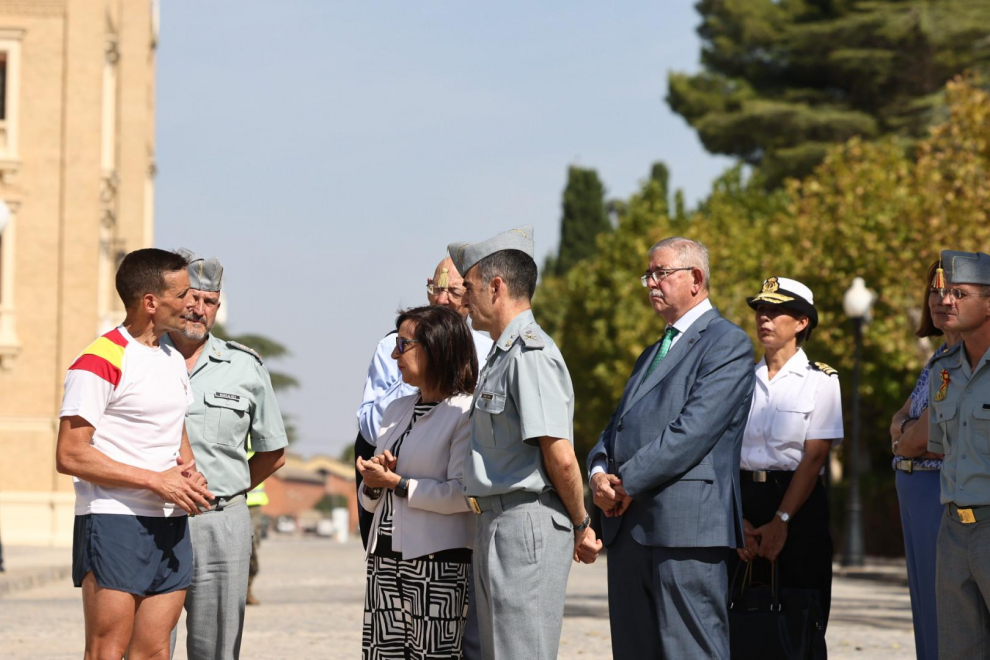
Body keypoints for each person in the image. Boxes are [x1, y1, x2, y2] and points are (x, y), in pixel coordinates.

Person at [587, 236, 755, 659]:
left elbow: (691, 432)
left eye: (660, 274)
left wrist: (623, 484)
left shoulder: (727, 344)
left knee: (690, 651)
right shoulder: (651, 353)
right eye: (649, 275)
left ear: (695, 278)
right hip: (629, 531)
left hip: (685, 532)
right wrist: (597, 473)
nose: (650, 284)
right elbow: (616, 426)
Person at [448, 226, 601, 660]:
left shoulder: (531, 355)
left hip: (525, 523)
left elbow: (561, 458)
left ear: (496, 287)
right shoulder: (502, 354)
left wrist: (580, 523)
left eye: (470, 287)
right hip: (497, 522)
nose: (465, 299)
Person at [55, 248, 214, 659]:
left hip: (171, 522)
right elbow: (71, 454)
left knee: (155, 650)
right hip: (113, 519)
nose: (192, 304)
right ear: (150, 302)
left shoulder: (171, 358)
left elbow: (173, 426)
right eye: (182, 295)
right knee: (108, 649)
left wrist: (189, 472)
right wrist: (153, 480)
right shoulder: (98, 360)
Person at [165, 250, 288, 660]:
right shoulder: (141, 358)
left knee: (216, 647)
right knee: (146, 646)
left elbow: (273, 452)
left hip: (220, 523)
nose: (199, 310)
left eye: (210, 301)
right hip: (152, 519)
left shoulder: (245, 366)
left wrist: (225, 490)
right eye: (191, 298)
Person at [357, 305, 479, 659]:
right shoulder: (396, 410)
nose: (395, 354)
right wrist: (374, 483)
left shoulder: (465, 412)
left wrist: (398, 483)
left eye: (403, 344)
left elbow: (462, 494)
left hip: (437, 564)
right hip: (384, 559)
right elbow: (372, 500)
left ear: (435, 348)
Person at [733, 276, 843, 657]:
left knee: (799, 617)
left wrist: (781, 520)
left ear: (801, 323)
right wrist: (737, 520)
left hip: (798, 502)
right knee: (740, 612)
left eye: (776, 311)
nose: (764, 318)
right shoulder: (740, 380)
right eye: (761, 310)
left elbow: (814, 458)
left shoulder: (821, 381)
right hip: (743, 500)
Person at [355, 257, 493, 547]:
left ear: (472, 295)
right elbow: (370, 429)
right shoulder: (391, 348)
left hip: (445, 536)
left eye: (454, 291)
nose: (442, 300)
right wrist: (414, 372)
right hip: (389, 526)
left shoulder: (489, 352)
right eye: (435, 288)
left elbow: (462, 488)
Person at [889, 260, 960, 660]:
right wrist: (906, 434)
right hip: (914, 490)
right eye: (934, 291)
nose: (940, 300)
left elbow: (934, 432)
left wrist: (905, 438)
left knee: (947, 613)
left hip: (941, 491)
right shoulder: (938, 356)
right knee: (924, 613)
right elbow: (900, 418)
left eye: (952, 292)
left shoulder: (968, 357)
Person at [927, 250, 990, 660]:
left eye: (960, 293)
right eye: (943, 292)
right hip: (953, 528)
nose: (946, 300)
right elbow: (939, 448)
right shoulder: (943, 370)